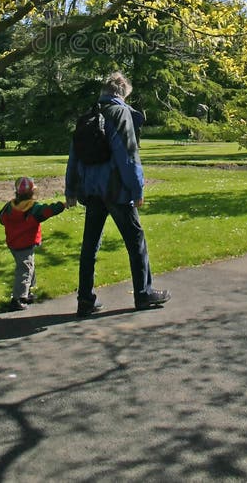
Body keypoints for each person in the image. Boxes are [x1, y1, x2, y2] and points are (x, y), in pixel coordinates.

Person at [65, 71, 170, 317]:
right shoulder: (120, 113)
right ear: (122, 92)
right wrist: (137, 189)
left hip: (91, 190)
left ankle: (85, 299)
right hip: (116, 190)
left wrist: (71, 189)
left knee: (89, 245)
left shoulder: (86, 116)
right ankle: (143, 294)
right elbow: (127, 155)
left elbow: (74, 157)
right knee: (136, 240)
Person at [0, 176, 65, 311]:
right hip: (25, 243)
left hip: (13, 243)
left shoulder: (9, 207)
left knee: (28, 265)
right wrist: (62, 205)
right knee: (25, 269)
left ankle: (27, 292)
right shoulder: (33, 208)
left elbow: (1, 218)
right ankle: (18, 298)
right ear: (32, 192)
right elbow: (48, 211)